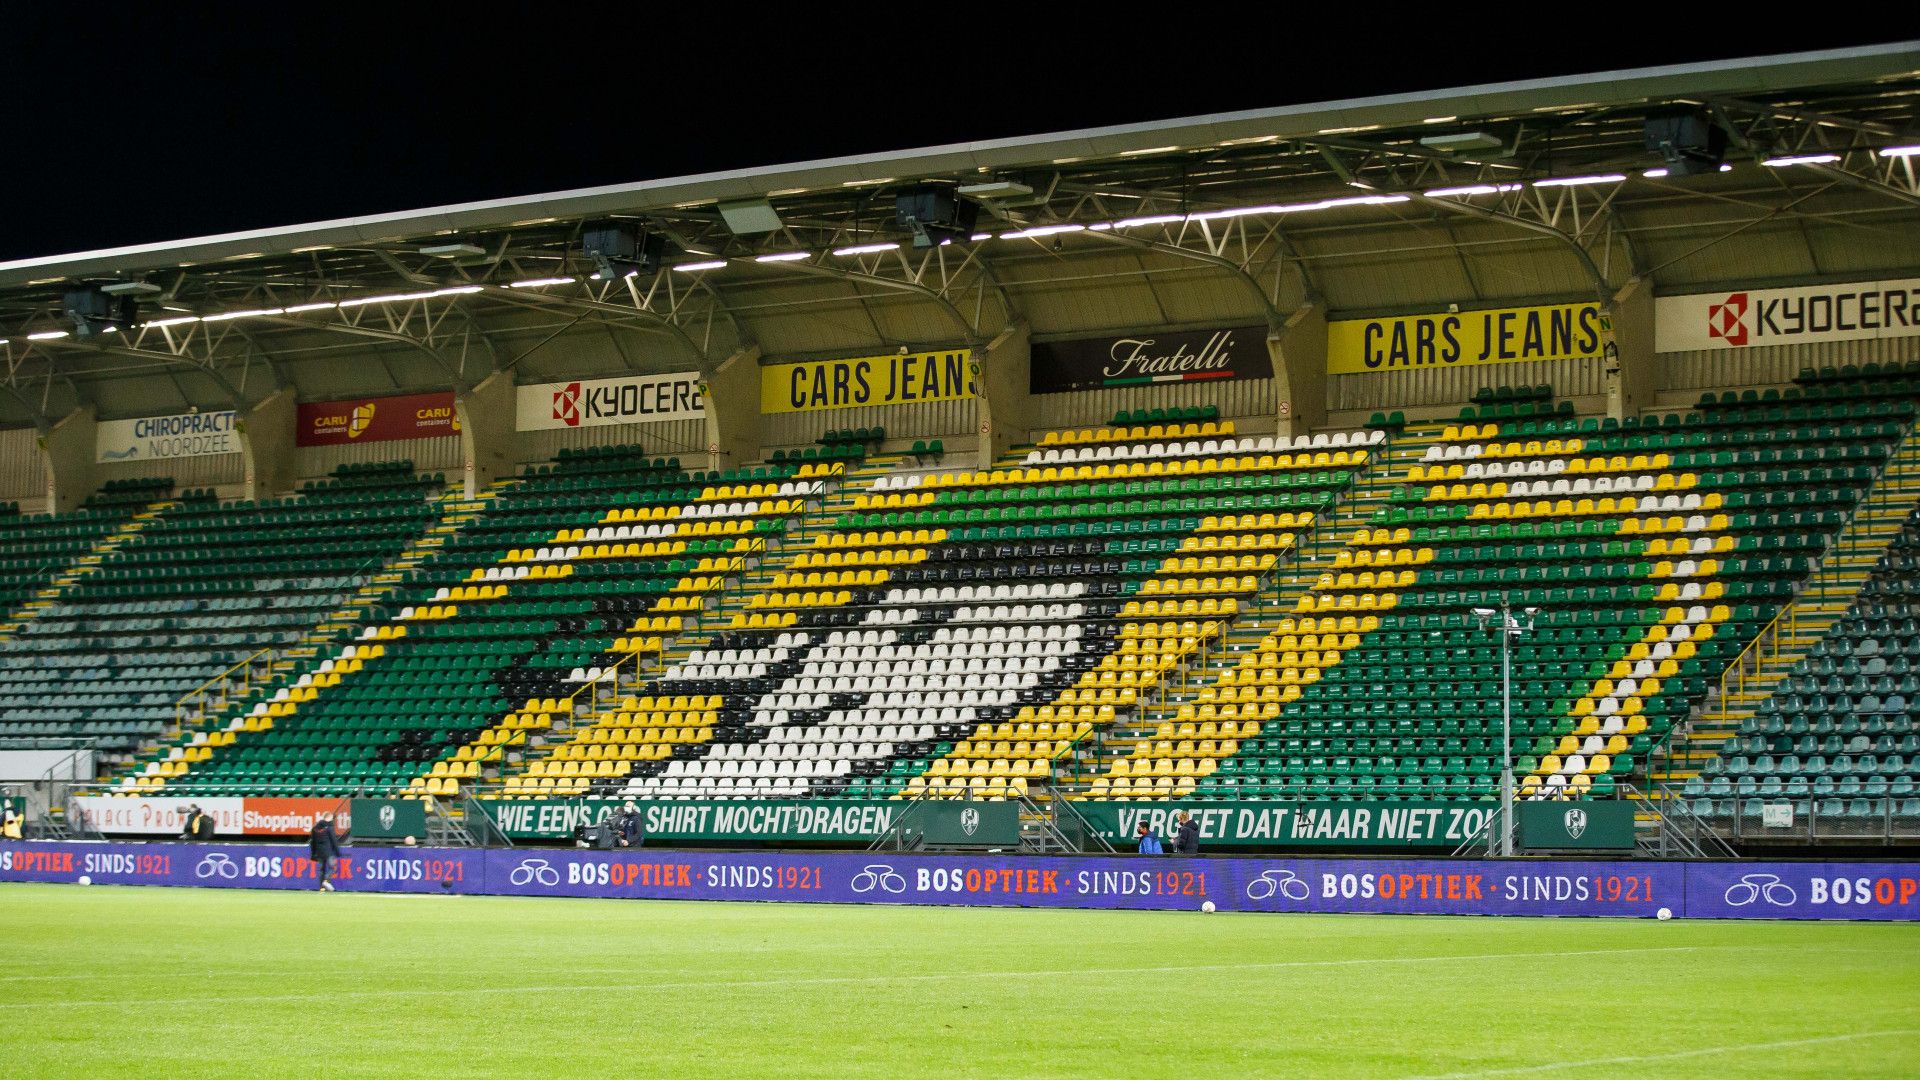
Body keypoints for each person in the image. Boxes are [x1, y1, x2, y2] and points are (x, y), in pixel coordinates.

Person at [309, 813, 343, 892]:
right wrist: (338, 852)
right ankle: (326, 881)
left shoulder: (314, 828)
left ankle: (322, 888)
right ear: (329, 818)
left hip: (319, 852)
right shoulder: (329, 828)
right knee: (333, 868)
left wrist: (313, 853)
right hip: (328, 852)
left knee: (321, 870)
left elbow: (312, 842)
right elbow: (333, 840)